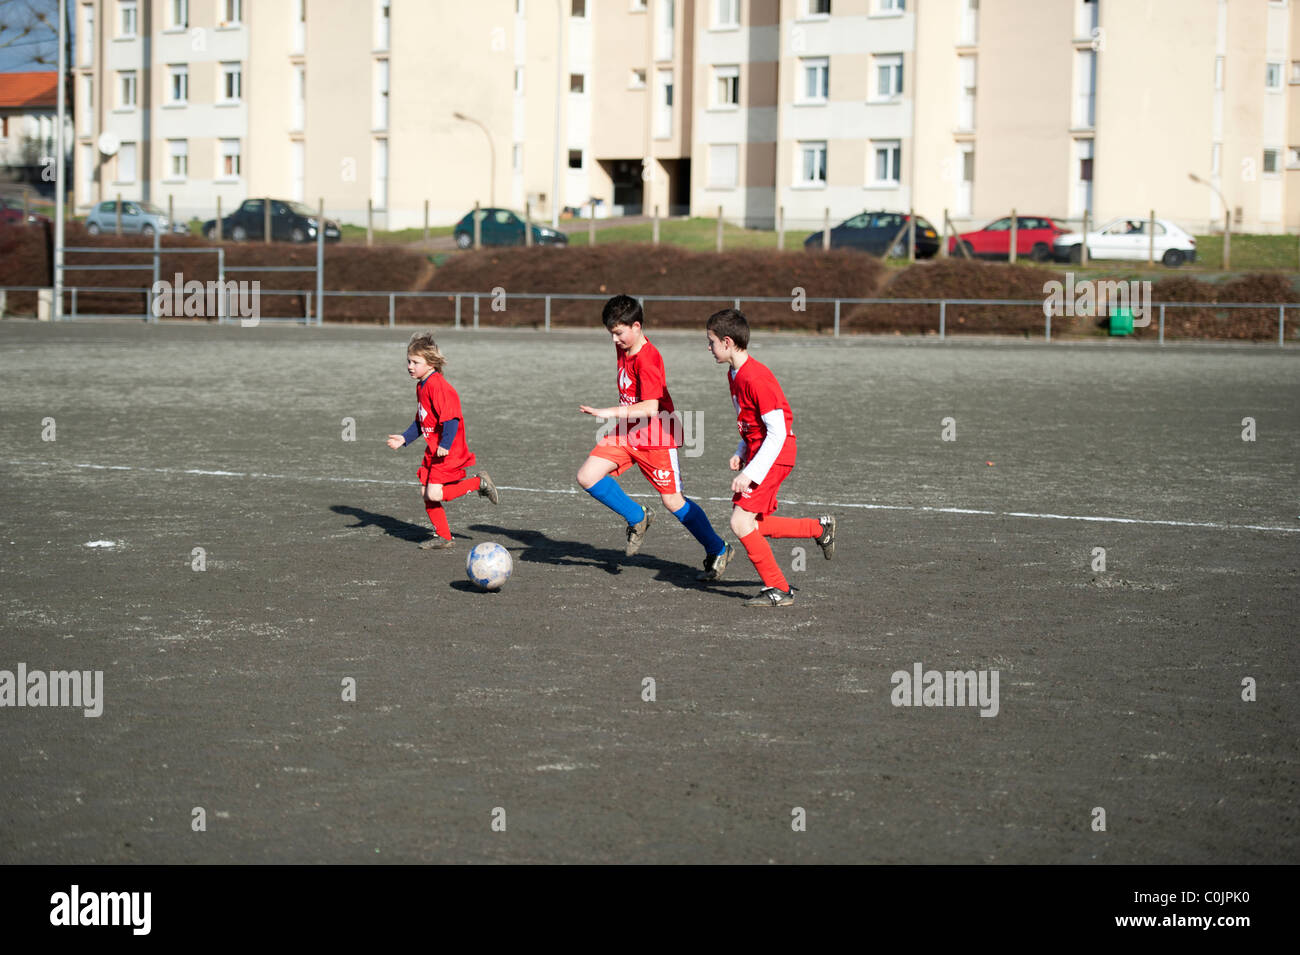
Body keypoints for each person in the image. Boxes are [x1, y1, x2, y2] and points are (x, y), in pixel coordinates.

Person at [577, 294, 734, 580]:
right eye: (611, 333)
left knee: (673, 502)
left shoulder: (650, 358)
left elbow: (650, 408)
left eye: (618, 333)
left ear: (636, 326)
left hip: (657, 435)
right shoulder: (624, 346)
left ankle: (718, 547)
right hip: (628, 431)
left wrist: (606, 411)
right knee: (588, 476)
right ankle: (638, 516)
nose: (614, 340)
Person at [705, 308, 835, 607]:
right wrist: (742, 451)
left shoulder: (756, 376)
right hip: (761, 452)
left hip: (776, 454)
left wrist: (751, 472)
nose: (708, 347)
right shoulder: (735, 373)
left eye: (710, 341)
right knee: (755, 525)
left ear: (727, 342)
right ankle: (819, 528)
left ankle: (779, 588)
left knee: (740, 523)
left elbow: (777, 431)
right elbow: (750, 421)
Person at [386, 332, 499, 549]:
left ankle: (478, 482)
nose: (410, 366)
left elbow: (452, 419)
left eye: (415, 362)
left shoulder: (438, 386)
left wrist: (445, 445)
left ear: (430, 363)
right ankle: (444, 537)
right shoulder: (421, 385)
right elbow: (422, 420)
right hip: (435, 448)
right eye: (408, 361)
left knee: (434, 493)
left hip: (448, 449)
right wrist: (404, 438)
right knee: (425, 493)